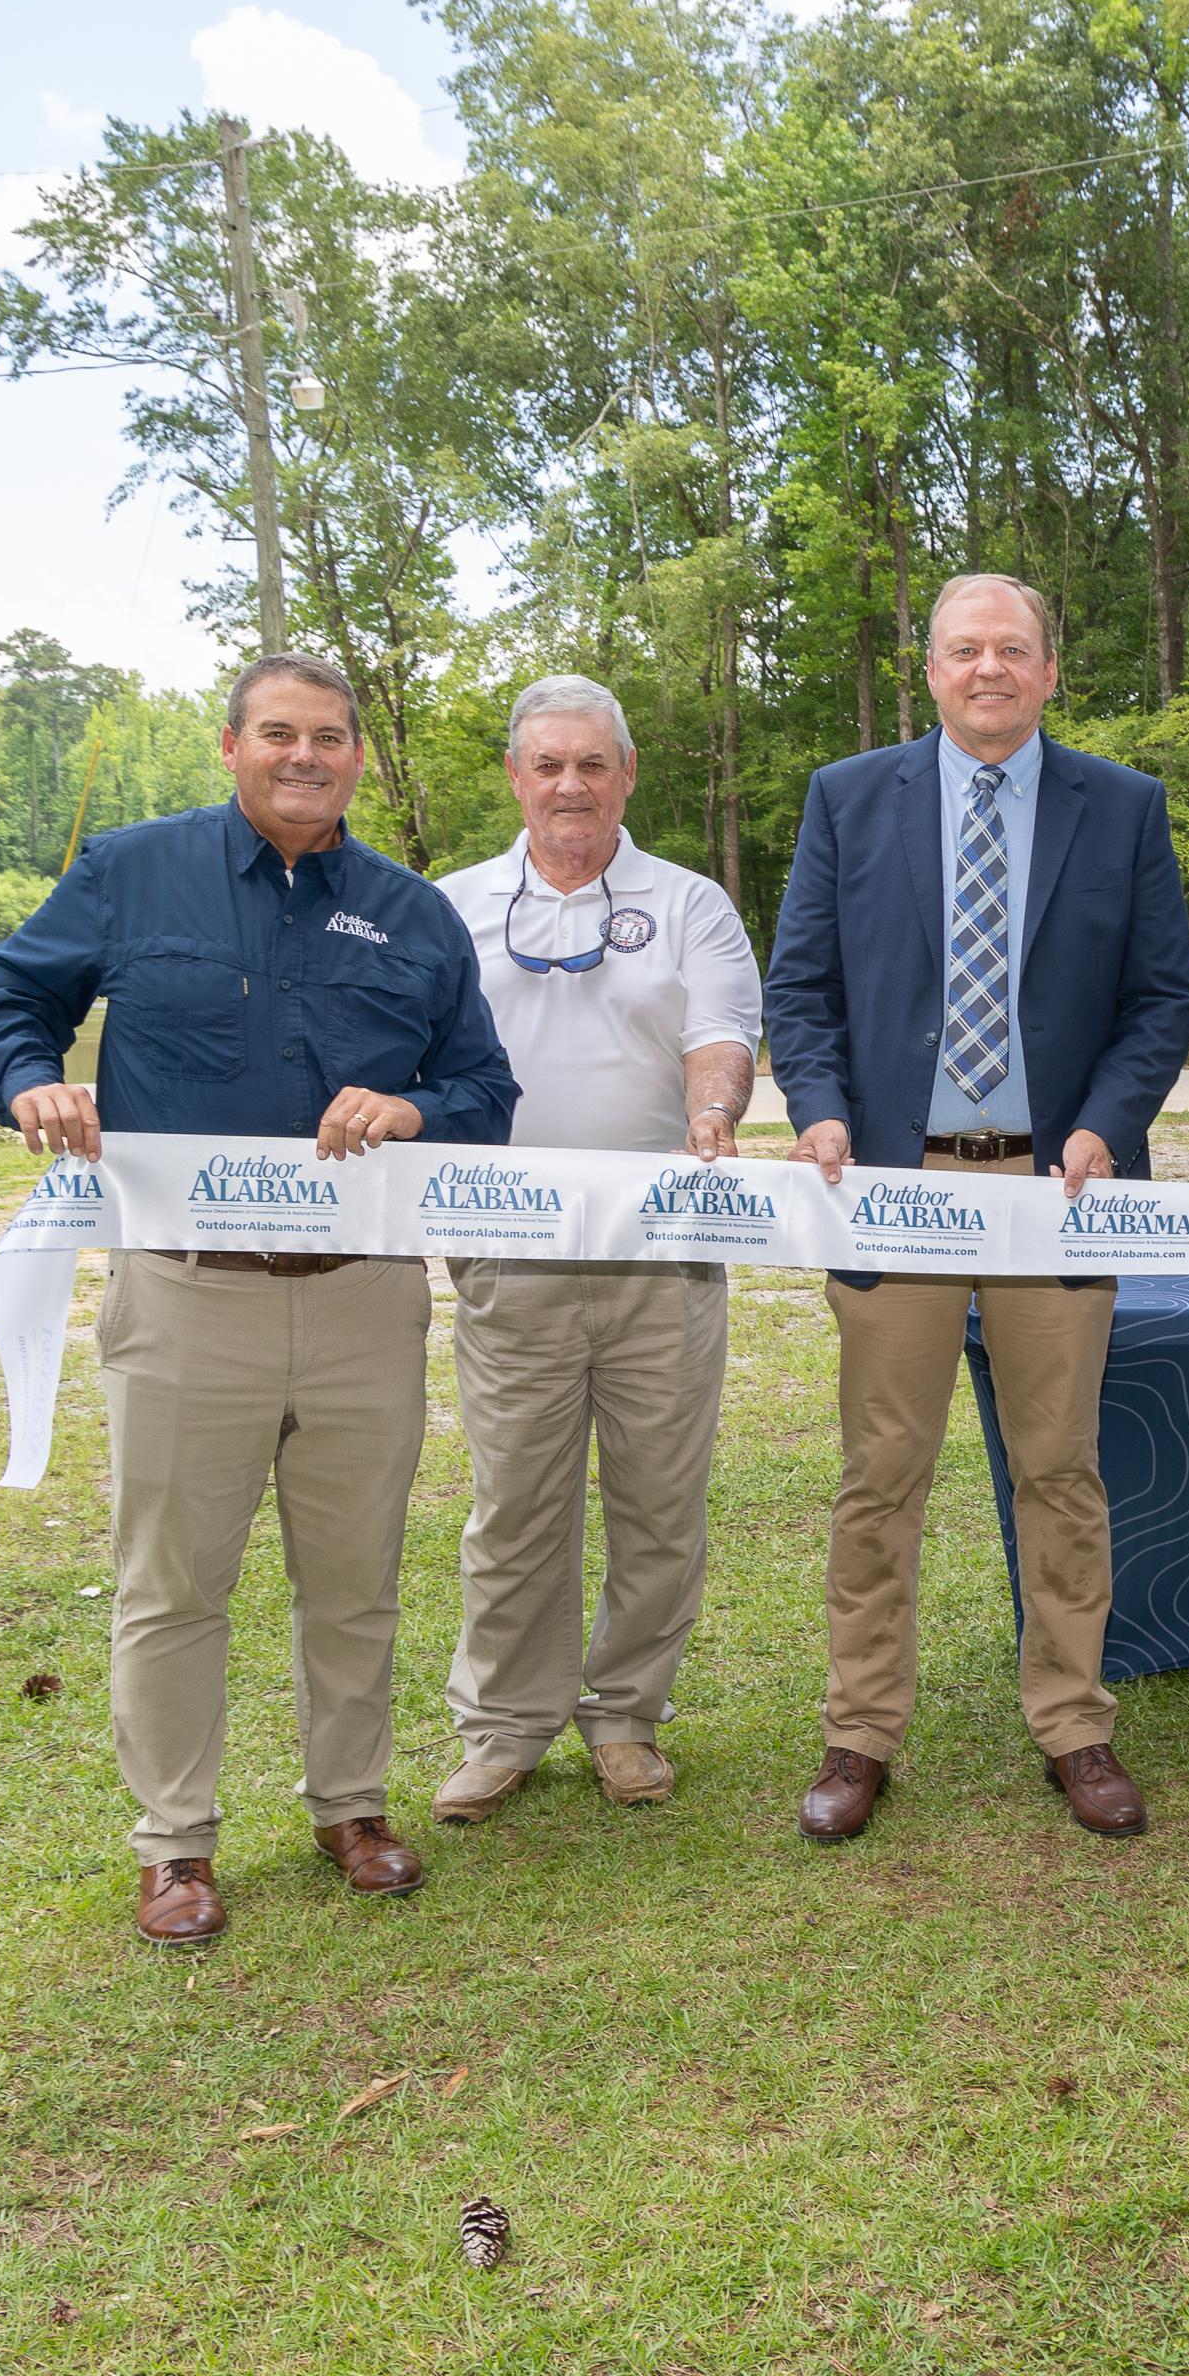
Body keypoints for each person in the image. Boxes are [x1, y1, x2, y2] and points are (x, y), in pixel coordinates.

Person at [0, 651, 520, 1947]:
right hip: (184, 1298)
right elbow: (11, 994)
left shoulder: (413, 915)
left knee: (356, 1579)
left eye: (329, 737)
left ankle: (352, 1809)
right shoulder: (130, 873)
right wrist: (28, 1077)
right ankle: (176, 1846)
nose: (305, 756)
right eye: (279, 733)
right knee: (171, 1585)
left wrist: (416, 1108)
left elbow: (487, 1096)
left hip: (361, 1304)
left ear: (358, 759)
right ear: (230, 747)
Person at [762, 573, 1189, 1844]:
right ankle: (860, 1731)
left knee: (1058, 1468)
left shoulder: (1122, 807)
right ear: (932, 670)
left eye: (1014, 650)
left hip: (1052, 1190)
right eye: (966, 650)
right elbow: (802, 985)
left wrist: (1103, 1128)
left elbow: (1162, 997)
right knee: (880, 1470)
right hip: (893, 1188)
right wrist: (822, 1110)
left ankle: (1074, 1722)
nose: (990, 669)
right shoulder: (850, 798)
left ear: (1050, 672)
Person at [425, 676, 763, 1827]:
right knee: (515, 1501)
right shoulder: (449, 907)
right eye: (547, 765)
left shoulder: (690, 904)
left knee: (660, 1501)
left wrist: (713, 1109)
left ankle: (625, 1714)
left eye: (593, 764)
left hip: (660, 1252)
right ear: (517, 778)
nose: (570, 785)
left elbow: (722, 1032)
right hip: (506, 1255)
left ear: (627, 775)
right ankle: (505, 1728)